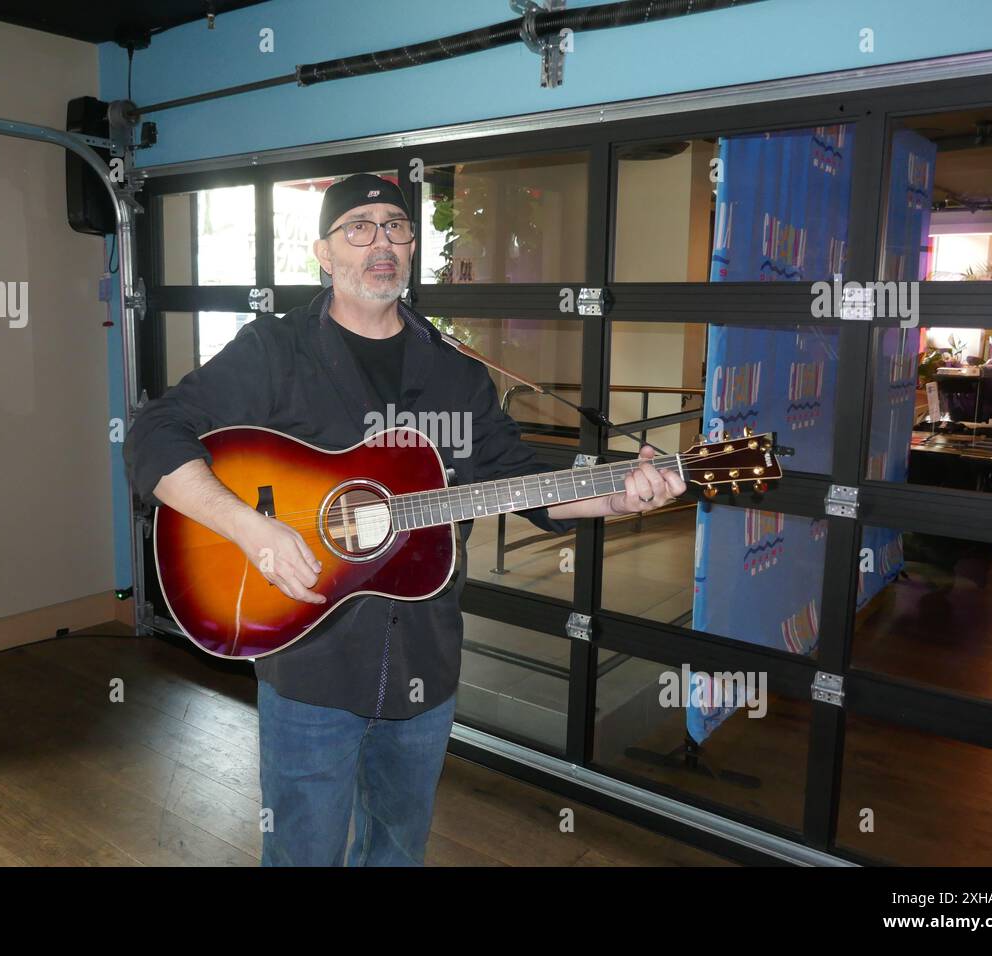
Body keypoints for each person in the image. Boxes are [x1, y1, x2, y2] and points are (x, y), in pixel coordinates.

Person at [123, 173, 686, 866]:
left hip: (426, 661)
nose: (380, 241)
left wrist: (615, 497)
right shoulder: (274, 353)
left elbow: (515, 483)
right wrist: (248, 526)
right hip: (311, 666)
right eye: (357, 227)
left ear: (413, 247)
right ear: (324, 253)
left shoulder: (457, 374)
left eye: (395, 225)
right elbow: (154, 433)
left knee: (397, 851)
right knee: (304, 853)